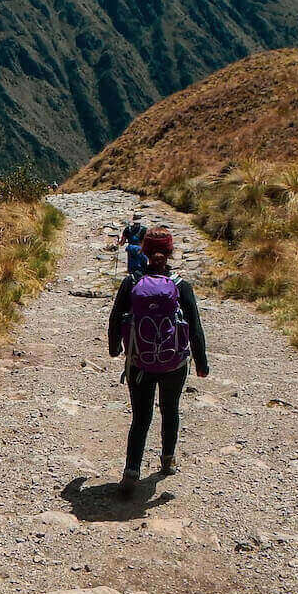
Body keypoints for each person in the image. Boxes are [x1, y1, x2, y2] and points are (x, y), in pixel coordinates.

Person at [107, 226, 208, 497]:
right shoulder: (179, 284)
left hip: (140, 361)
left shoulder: (132, 283)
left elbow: (116, 317)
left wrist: (115, 348)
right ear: (171, 250)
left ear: (144, 250)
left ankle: (131, 470)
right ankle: (167, 460)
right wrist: (201, 362)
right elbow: (195, 327)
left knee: (141, 418)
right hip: (174, 363)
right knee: (170, 410)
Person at [118, 211, 148, 276]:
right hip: (140, 250)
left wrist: (118, 242)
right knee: (142, 268)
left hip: (131, 249)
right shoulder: (144, 230)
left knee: (132, 269)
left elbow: (122, 243)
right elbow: (145, 242)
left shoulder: (127, 229)